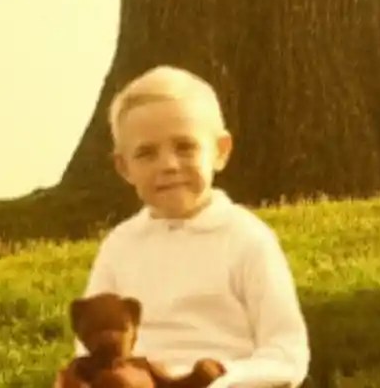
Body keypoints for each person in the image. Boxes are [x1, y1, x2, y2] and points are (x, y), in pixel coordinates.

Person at [59, 65, 310, 388]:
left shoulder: (246, 239)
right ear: (124, 168)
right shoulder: (121, 245)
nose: (168, 165)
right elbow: (90, 336)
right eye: (147, 153)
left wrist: (224, 381)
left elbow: (286, 353)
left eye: (185, 147)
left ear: (220, 152)